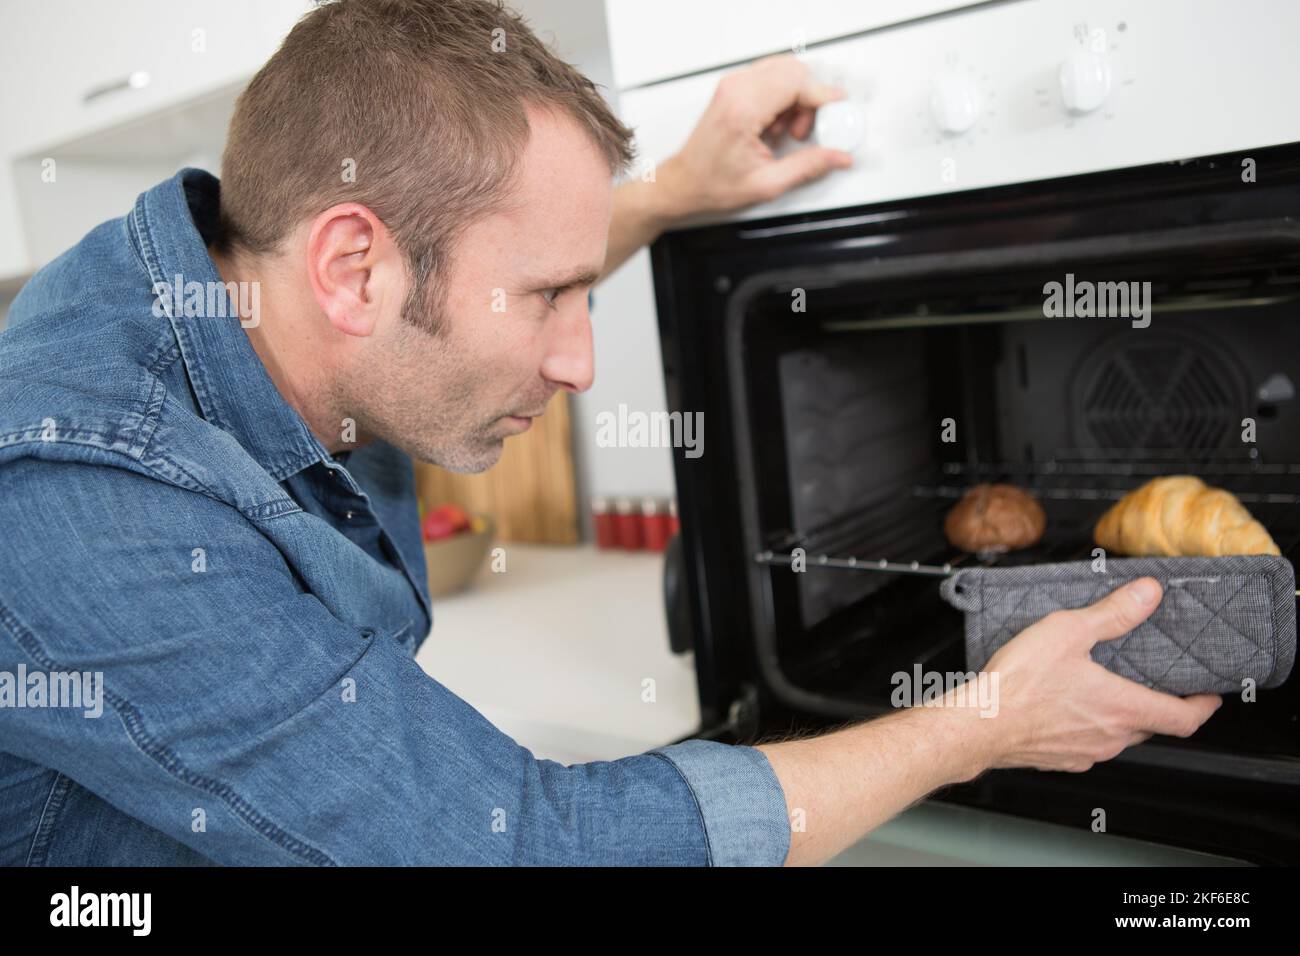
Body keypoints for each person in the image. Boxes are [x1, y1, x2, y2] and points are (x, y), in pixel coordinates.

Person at [0, 0, 1219, 867]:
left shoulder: (240, 293)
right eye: (549, 298)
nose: (582, 363)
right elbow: (523, 846)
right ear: (352, 265)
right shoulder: (87, 497)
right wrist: (985, 723)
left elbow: (463, 267)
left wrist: (674, 193)